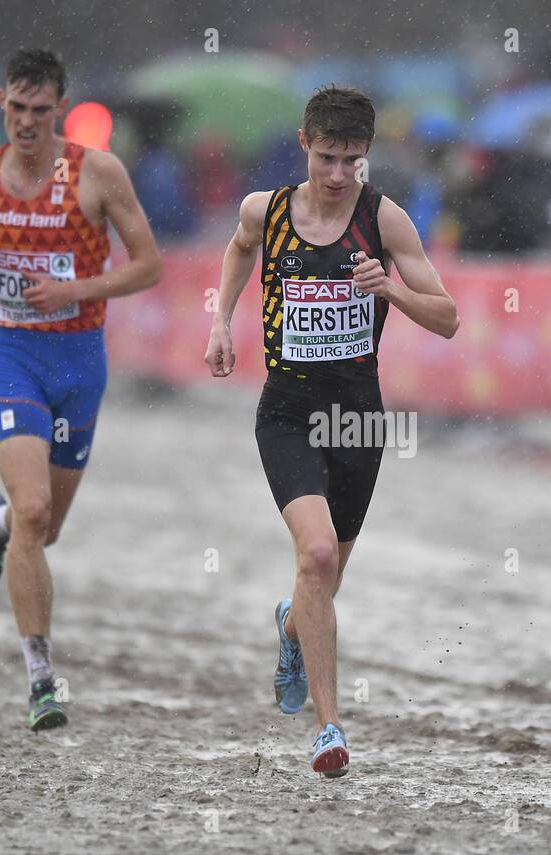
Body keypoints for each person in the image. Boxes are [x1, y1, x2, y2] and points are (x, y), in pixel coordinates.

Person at [205, 85, 458, 777]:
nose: (339, 174)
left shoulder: (386, 220)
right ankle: (329, 729)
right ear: (303, 146)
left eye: (352, 160)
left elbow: (447, 316)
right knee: (316, 555)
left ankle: (292, 626)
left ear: (367, 156)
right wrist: (221, 322)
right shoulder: (268, 210)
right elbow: (236, 249)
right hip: (286, 412)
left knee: (325, 575)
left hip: (356, 420)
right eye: (326, 157)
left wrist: (392, 291)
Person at [0, 49, 162, 731]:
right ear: (0, 100)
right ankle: (40, 680)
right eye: (15, 108)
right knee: (35, 508)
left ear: (59, 107)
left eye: (40, 109)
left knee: (42, 527)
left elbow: (148, 264)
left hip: (81, 363)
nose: (26, 121)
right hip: (16, 358)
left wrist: (76, 288)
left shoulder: (97, 173)